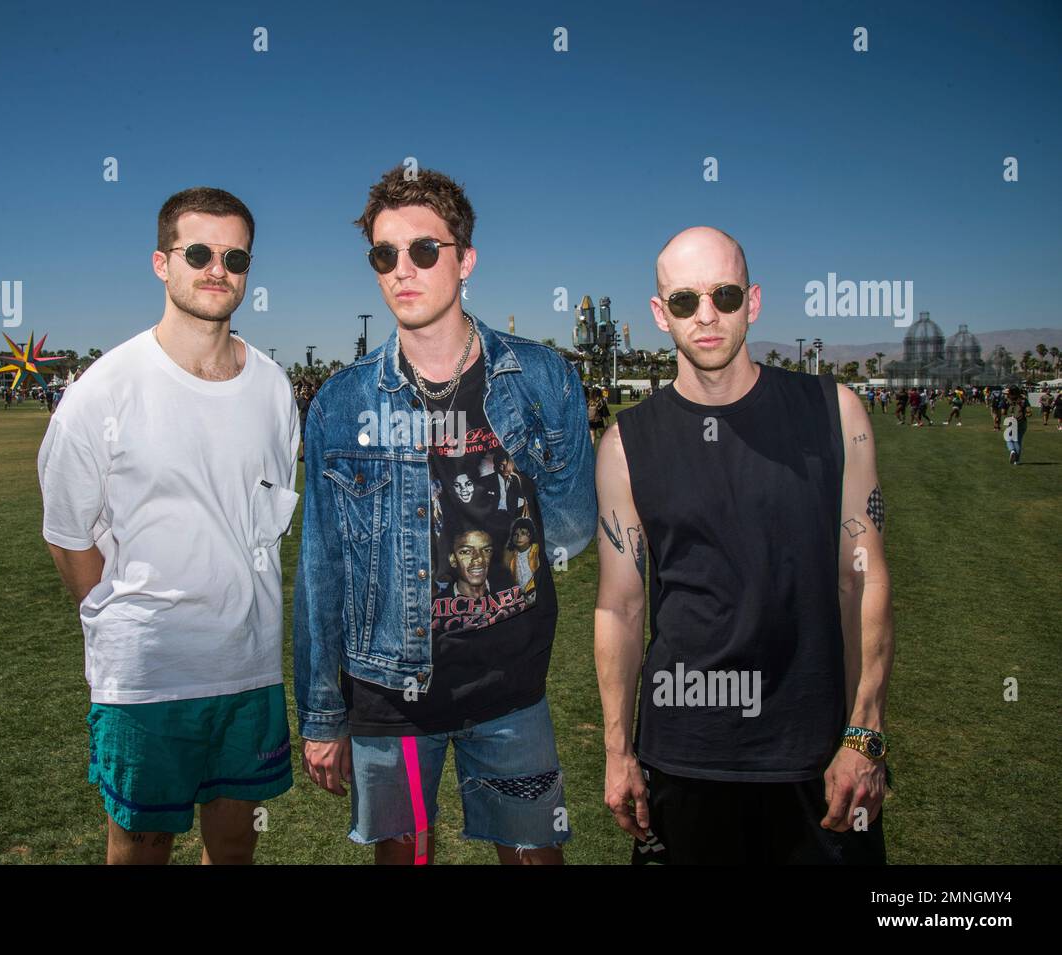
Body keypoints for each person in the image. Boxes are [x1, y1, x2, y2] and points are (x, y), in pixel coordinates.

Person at [294, 166, 596, 865]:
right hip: (389, 698)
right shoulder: (340, 403)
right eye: (385, 255)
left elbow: (574, 526)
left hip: (510, 689)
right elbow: (320, 572)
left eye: (424, 250)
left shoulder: (541, 375)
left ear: (465, 259)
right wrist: (321, 714)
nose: (403, 269)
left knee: (535, 856)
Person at [595, 226, 892, 865]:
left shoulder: (835, 414)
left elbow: (861, 579)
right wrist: (619, 753)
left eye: (724, 296)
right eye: (684, 301)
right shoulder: (625, 446)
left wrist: (864, 735)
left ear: (752, 302)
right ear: (659, 314)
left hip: (816, 758)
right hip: (684, 758)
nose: (706, 315)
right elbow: (619, 606)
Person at [38, 186, 298, 865]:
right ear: (162, 262)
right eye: (200, 252)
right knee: (143, 843)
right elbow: (67, 534)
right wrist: (113, 614)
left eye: (235, 256)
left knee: (236, 841)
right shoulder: (103, 389)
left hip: (249, 667)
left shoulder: (274, 388)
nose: (219, 268)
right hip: (147, 674)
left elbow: (269, 518)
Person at [1003, 386, 1030, 465]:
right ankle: (1017, 460)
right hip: (1022, 422)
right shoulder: (1023, 400)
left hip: (1011, 421)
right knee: (1018, 441)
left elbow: (1003, 412)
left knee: (1008, 438)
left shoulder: (1007, 400)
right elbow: (1029, 411)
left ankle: (1012, 451)